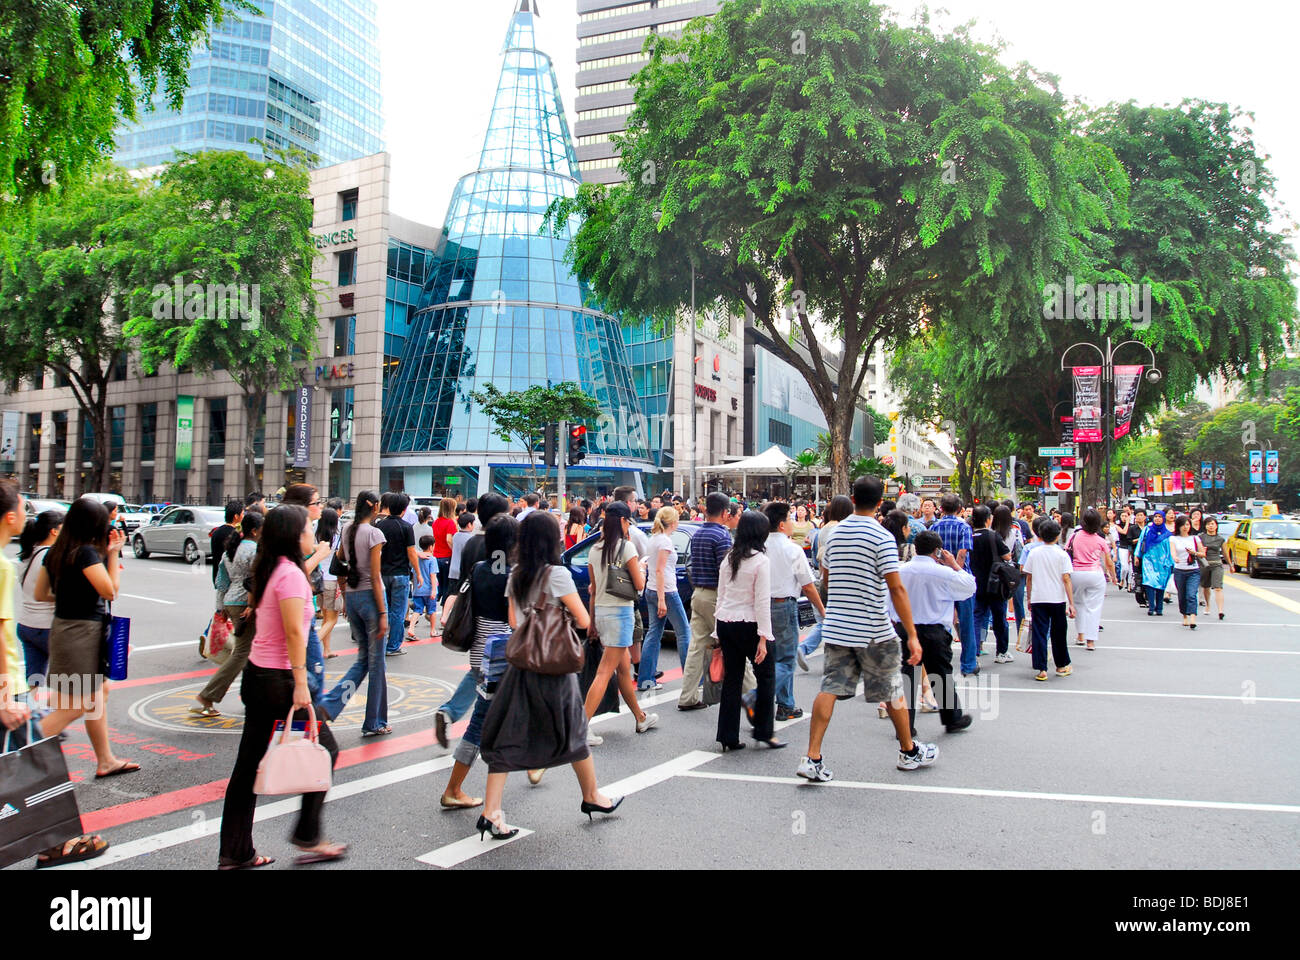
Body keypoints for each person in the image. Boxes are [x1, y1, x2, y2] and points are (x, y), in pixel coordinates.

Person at [476, 512, 622, 839]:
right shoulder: (557, 575)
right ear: (549, 539)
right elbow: (583, 620)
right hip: (554, 668)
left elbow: (514, 622)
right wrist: (559, 618)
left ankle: (491, 811)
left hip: (522, 666)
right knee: (573, 731)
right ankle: (592, 796)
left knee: (508, 736)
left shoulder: (515, 574)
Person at [218, 505, 344, 869]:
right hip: (280, 682)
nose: (312, 530)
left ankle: (235, 852)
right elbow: (293, 633)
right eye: (307, 526)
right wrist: (302, 684)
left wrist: (317, 554)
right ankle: (308, 834)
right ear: (293, 534)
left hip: (260, 677)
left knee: (246, 770)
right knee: (327, 749)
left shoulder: (274, 567)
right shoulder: (289, 574)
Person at [797, 476, 937, 782]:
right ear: (879, 502)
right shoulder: (882, 536)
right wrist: (912, 634)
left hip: (837, 627)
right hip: (874, 628)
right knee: (892, 690)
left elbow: (827, 579)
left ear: (853, 498)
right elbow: (896, 588)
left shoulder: (833, 533)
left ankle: (812, 757)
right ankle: (909, 750)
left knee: (829, 689)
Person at [1, 484, 111, 867]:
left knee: (77, 705)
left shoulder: (50, 553)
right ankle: (38, 740)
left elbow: (43, 597)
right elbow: (110, 589)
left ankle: (56, 838)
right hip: (68, 640)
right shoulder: (82, 553)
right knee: (67, 714)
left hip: (56, 637)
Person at [439, 515, 517, 808]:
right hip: (501, 652)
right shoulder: (510, 573)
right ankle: (455, 788)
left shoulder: (480, 568)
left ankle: (531, 764)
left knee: (501, 716)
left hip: (480, 650)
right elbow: (512, 618)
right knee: (482, 722)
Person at [316, 491, 390, 735]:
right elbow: (376, 577)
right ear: (376, 506)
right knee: (376, 664)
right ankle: (374, 721)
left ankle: (332, 704)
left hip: (354, 596)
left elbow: (340, 564)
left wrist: (346, 597)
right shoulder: (374, 533)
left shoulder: (347, 528)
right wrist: (382, 612)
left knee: (364, 661)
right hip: (371, 597)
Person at [584, 502, 657, 738]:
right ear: (624, 522)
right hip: (621, 613)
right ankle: (580, 727)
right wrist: (643, 570)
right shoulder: (626, 548)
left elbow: (593, 590)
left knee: (623, 668)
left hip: (602, 613)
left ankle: (640, 717)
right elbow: (638, 585)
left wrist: (592, 622)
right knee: (605, 672)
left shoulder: (595, 549)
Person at [893, 530, 975, 735]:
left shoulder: (901, 571)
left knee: (907, 678)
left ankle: (905, 726)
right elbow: (969, 587)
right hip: (934, 630)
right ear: (937, 551)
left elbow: (889, 599)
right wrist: (954, 565)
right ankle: (952, 719)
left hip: (906, 628)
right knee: (941, 674)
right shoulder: (943, 572)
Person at [714, 509, 785, 750]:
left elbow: (721, 596)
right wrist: (765, 638)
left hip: (726, 623)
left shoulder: (729, 557)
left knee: (732, 680)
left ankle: (727, 735)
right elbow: (762, 602)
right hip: (751, 625)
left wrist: (717, 632)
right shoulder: (760, 561)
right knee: (766, 678)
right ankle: (764, 731)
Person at [679, 492, 756, 710]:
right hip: (716, 597)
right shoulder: (722, 537)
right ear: (724, 513)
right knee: (736, 646)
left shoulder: (698, 534)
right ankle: (754, 698)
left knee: (697, 646)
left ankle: (687, 696)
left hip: (698, 594)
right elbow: (727, 571)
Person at [754, 500, 823, 721]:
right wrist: (822, 610)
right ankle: (756, 696)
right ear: (782, 524)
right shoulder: (791, 549)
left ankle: (786, 704)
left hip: (761, 605)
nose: (792, 523)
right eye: (790, 519)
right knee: (787, 658)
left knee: (773, 657)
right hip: (783, 605)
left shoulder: (759, 545)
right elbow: (808, 586)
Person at [192, 510, 264, 716]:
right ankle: (207, 695)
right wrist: (251, 605)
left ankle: (250, 693)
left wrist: (219, 608)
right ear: (254, 530)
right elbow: (254, 581)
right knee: (242, 652)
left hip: (231, 601)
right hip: (245, 603)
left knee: (248, 651)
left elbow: (221, 582)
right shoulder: (253, 551)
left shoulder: (230, 551)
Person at [797, 494, 853, 669]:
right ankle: (809, 649)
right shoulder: (841, 528)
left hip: (824, 577)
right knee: (832, 620)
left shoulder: (824, 528)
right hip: (836, 580)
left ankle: (810, 650)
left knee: (827, 621)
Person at [639, 506, 690, 692]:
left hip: (652, 588)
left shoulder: (654, 539)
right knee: (684, 632)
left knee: (653, 633)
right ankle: (691, 678)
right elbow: (661, 570)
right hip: (666, 591)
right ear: (674, 522)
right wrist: (662, 599)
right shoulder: (666, 542)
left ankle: (646, 678)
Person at [16, 508, 64, 703]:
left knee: (33, 681)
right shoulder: (51, 555)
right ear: (54, 531)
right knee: (70, 681)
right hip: (47, 628)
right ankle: (49, 724)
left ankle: (25, 720)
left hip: (27, 625)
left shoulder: (28, 553)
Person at [931, 493, 978, 676]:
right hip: (960, 577)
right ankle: (968, 665)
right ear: (959, 509)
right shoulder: (964, 527)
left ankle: (942, 661)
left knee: (942, 621)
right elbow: (963, 553)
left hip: (940, 578)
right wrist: (956, 568)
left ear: (940, 509)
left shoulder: (935, 526)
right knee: (966, 623)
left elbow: (934, 554)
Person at [1022, 519, 1075, 682]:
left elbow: (1029, 577)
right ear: (1058, 535)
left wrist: (1029, 597)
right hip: (1057, 598)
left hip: (1039, 597)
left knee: (1039, 632)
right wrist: (1071, 603)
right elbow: (1066, 578)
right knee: (1059, 632)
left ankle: (1041, 668)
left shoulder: (1034, 553)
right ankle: (1061, 665)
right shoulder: (1062, 554)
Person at [374, 492, 420, 657]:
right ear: (404, 509)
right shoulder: (406, 527)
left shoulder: (380, 526)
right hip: (400, 573)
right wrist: (418, 574)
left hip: (382, 572)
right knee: (398, 611)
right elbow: (411, 553)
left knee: (382, 609)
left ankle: (380, 643)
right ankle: (393, 646)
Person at [969, 504, 1013, 663]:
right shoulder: (993, 536)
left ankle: (973, 652)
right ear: (988, 519)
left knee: (976, 618)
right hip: (995, 584)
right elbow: (1007, 556)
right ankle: (1002, 652)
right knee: (1000, 619)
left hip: (976, 583)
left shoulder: (970, 536)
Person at [1067, 508, 1115, 651]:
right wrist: (1113, 576)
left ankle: (1080, 635)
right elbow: (1108, 562)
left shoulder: (1074, 536)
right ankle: (1090, 641)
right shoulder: (1100, 540)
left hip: (1076, 573)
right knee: (1094, 608)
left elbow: (1066, 552)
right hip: (1095, 574)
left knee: (1079, 604)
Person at [315, 507, 343, 659]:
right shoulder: (336, 537)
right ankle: (311, 647)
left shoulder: (316, 535)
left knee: (326, 617)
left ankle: (327, 650)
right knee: (332, 619)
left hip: (320, 580)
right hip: (333, 580)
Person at [1169, 515, 1205, 629]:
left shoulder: (1195, 538)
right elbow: (1173, 551)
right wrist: (1175, 558)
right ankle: (1185, 616)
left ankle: (1193, 617)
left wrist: (1194, 552)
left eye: (1187, 525)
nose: (1185, 527)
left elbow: (1202, 553)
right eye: (1183, 525)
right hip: (1179, 570)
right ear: (1178, 526)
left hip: (1193, 570)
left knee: (1191, 594)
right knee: (1182, 595)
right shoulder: (1173, 539)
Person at [1135, 510, 1174, 617]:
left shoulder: (1167, 534)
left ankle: (1159, 607)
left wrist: (1171, 563)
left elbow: (1170, 549)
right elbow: (1140, 543)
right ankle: (1151, 607)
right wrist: (1137, 556)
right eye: (1155, 517)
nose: (1157, 519)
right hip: (1148, 560)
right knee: (1149, 583)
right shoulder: (1147, 530)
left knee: (1161, 585)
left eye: (1159, 517)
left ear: (1163, 519)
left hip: (1163, 562)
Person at [410, 535, 438, 638]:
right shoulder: (432, 559)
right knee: (432, 611)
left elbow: (414, 573)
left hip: (418, 589)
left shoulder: (417, 558)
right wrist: (434, 590)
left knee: (417, 610)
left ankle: (411, 628)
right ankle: (433, 630)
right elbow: (433, 575)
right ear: (431, 547)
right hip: (429, 589)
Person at [211, 500, 243, 586]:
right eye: (242, 514)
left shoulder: (216, 532)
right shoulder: (235, 534)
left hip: (218, 576)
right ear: (236, 516)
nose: (243, 516)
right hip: (230, 578)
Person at [432, 497, 457, 606]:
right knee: (447, 586)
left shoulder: (436, 522)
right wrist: (454, 550)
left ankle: (430, 608)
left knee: (437, 585)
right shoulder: (450, 523)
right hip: (447, 556)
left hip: (436, 555)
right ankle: (444, 612)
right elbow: (448, 539)